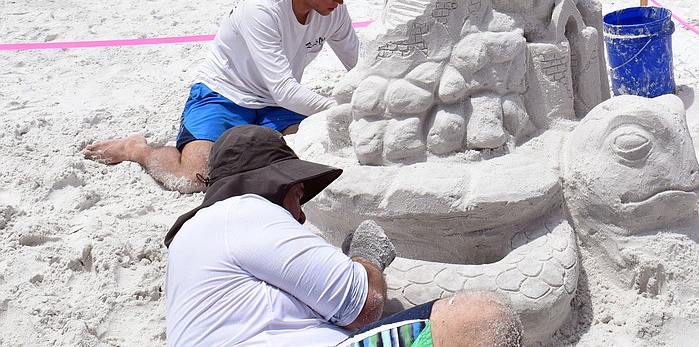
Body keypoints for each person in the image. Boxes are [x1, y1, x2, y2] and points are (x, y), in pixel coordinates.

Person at [163, 124, 524, 347]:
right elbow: (363, 306)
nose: (301, 215)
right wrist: (368, 258)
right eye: (298, 196)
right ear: (270, 184)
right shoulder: (243, 211)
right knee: (481, 318)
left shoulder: (197, 237)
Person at [83, 0, 365, 192]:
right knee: (194, 178)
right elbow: (283, 89)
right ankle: (136, 150)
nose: (340, 2)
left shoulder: (334, 11)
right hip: (224, 94)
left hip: (276, 104)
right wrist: (341, 108)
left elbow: (360, 66)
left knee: (308, 156)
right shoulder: (264, 6)